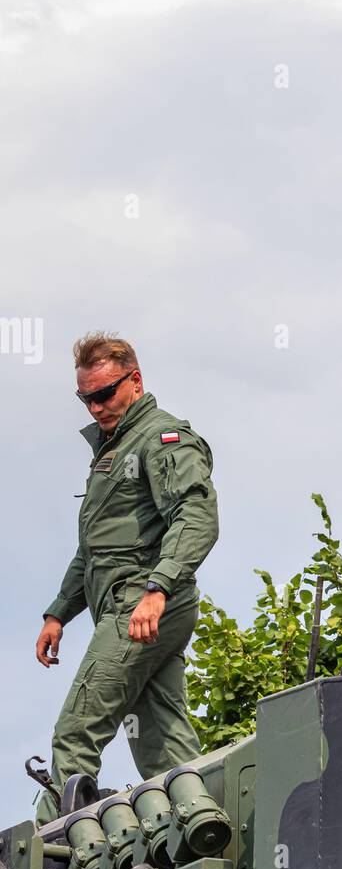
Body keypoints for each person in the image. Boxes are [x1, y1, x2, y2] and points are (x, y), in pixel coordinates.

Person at [34, 333, 219, 824]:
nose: (95, 408)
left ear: (134, 381)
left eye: (104, 394)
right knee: (166, 754)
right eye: (85, 398)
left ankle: (63, 864)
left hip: (142, 606)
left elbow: (196, 518)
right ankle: (202, 848)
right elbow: (96, 550)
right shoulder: (114, 450)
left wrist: (157, 591)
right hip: (132, 607)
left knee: (75, 734)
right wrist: (59, 612)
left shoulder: (162, 440)